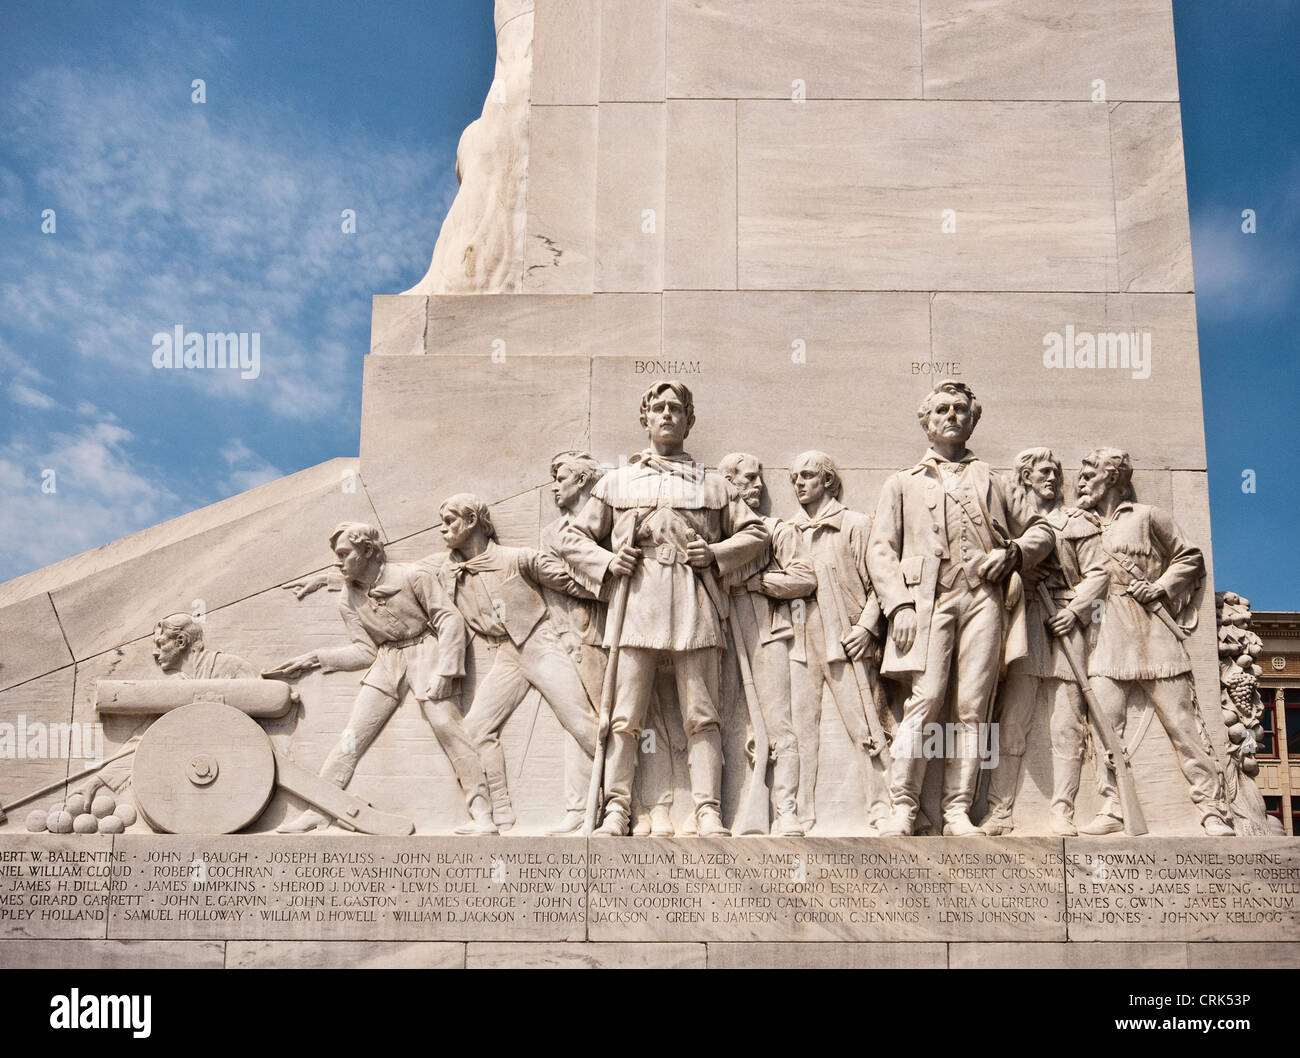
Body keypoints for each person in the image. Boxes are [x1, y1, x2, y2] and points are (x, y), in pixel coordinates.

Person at [557, 381, 769, 836]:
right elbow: (571, 538)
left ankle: (708, 808)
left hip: (695, 603)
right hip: (636, 604)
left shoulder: (714, 485)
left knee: (702, 714)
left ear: (690, 420)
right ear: (645, 418)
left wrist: (715, 555)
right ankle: (617, 808)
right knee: (624, 715)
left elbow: (755, 535)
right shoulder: (617, 481)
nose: (667, 414)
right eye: (659, 407)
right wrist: (609, 562)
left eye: (676, 408)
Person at [868, 380, 1054, 836]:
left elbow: (1043, 531)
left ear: (973, 420)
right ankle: (903, 806)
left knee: (972, 707)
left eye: (960, 410)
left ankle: (956, 809)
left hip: (983, 599)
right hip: (927, 601)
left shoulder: (993, 479)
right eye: (942, 410)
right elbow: (880, 550)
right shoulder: (902, 483)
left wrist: (1012, 552)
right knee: (925, 701)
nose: (952, 416)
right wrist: (899, 606)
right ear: (927, 422)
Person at [271, 522, 496, 834]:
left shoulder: (411, 576)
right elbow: (364, 651)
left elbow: (448, 619)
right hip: (387, 661)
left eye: (344, 554)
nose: (337, 562)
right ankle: (320, 810)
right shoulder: (347, 599)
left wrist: (446, 670)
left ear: (367, 550)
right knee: (351, 736)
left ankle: (482, 814)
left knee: (449, 730)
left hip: (425, 653)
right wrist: (316, 658)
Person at [1073, 448, 1233, 836]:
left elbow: (1190, 557)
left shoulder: (1147, 516)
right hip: (1107, 635)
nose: (1079, 480)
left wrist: (1160, 587)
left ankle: (1212, 807)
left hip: (1153, 633)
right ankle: (1112, 804)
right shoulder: (1079, 524)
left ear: (1111, 477)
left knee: (1182, 724)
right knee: (1105, 725)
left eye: (1088, 472)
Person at [436, 493, 598, 831]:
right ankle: (499, 813)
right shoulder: (448, 572)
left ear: (472, 521)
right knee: (476, 730)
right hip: (506, 653)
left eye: (450, 520)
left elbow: (571, 582)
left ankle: (608, 802)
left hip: (540, 644)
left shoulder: (519, 558)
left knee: (580, 722)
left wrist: (616, 583)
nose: (444, 529)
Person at [543, 452, 675, 836]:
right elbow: (555, 575)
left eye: (563, 477)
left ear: (584, 481)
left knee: (648, 718)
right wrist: (611, 574)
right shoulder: (556, 533)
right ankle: (587, 803)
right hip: (590, 632)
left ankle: (654, 805)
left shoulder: (620, 515)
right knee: (595, 720)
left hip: (637, 625)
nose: (555, 486)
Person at [980, 448, 1108, 836]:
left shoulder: (1077, 521)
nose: (1052, 478)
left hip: (1066, 625)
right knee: (1012, 720)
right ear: (1025, 477)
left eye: (1055, 472)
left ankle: (1063, 810)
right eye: (1043, 472)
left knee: (1067, 724)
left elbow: (1099, 572)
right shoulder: (1009, 527)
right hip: (1024, 622)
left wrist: (1078, 611)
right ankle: (999, 809)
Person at [787, 451, 889, 831]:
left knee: (864, 725)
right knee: (801, 729)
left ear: (827, 480)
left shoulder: (855, 524)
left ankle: (880, 803)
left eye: (808, 475)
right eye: (794, 476)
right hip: (800, 641)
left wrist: (867, 628)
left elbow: (882, 583)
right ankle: (800, 810)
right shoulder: (788, 530)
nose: (799, 482)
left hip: (845, 638)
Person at [719, 452, 817, 836]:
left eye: (759, 478)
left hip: (766, 632)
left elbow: (804, 578)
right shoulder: (714, 536)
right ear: (728, 484)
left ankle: (787, 810)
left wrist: (759, 584)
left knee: (779, 725)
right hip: (722, 636)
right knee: (726, 725)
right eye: (747, 479)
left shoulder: (776, 529)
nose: (758, 485)